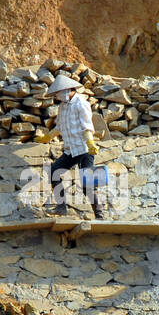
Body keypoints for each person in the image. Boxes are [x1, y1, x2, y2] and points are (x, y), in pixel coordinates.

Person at [36, 74, 104, 218]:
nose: (58, 96)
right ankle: (61, 207)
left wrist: (90, 142)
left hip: (85, 148)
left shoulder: (81, 104)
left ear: (68, 90)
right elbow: (59, 127)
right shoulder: (63, 107)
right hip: (71, 150)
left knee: (87, 182)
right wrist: (47, 137)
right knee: (54, 171)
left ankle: (99, 214)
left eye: (59, 93)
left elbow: (87, 125)